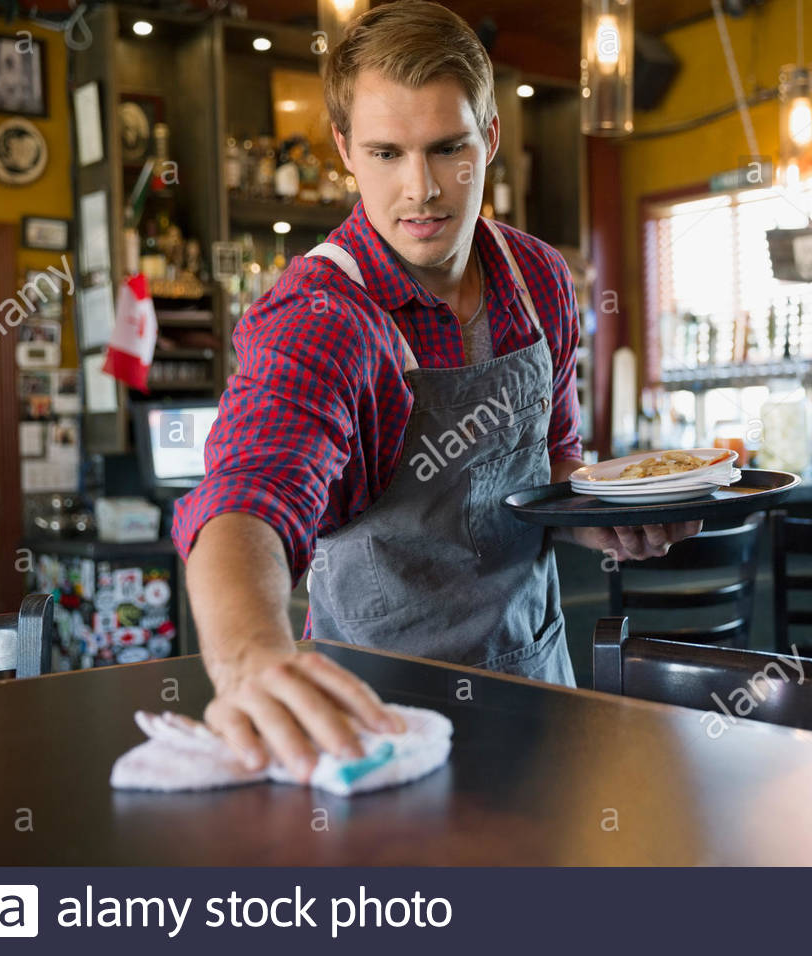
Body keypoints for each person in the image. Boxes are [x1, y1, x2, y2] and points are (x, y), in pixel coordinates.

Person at [172, 1, 701, 781]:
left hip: (536, 687)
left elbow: (552, 462)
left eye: (446, 148)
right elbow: (250, 494)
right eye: (387, 153)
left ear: (488, 137)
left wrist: (602, 517)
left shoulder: (540, 281)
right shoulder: (321, 315)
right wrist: (251, 657)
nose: (420, 190)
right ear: (346, 150)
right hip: (379, 717)